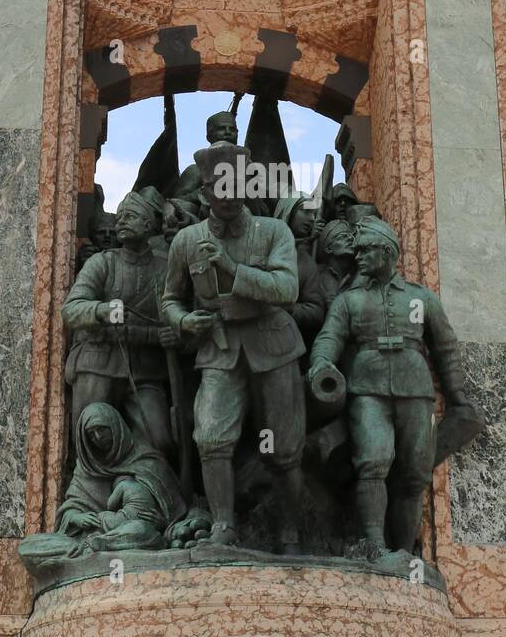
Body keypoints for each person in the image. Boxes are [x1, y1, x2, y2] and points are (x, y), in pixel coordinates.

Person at [162, 143, 306, 552]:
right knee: (210, 437)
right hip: (219, 348)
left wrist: (230, 265)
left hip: (274, 347)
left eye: (236, 185)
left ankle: (290, 531)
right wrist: (184, 321)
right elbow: (170, 298)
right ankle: (224, 526)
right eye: (218, 188)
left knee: (282, 449)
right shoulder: (186, 241)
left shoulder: (273, 231)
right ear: (204, 192)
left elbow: (286, 288)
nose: (227, 195)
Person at [309, 218, 470, 557]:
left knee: (414, 473)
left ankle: (403, 552)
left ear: (386, 252)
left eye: (366, 250)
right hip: (367, 388)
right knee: (373, 461)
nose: (359, 256)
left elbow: (445, 348)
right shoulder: (349, 301)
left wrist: (456, 396)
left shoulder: (421, 298)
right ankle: (375, 543)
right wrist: (322, 364)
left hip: (415, 389)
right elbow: (329, 338)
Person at [63, 190, 176, 458]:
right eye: (120, 217)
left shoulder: (165, 268)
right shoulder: (101, 263)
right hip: (97, 362)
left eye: (131, 217)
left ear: (149, 226)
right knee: (90, 440)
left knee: (159, 441)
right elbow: (71, 309)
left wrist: (176, 334)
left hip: (145, 369)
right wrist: (102, 310)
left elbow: (176, 313)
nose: (122, 221)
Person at [18, 404, 187, 570]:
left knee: (142, 530)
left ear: (115, 426)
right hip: (93, 532)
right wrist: (78, 518)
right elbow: (71, 510)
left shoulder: (149, 462)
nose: (98, 437)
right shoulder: (85, 470)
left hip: (136, 531)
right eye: (91, 434)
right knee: (28, 546)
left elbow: (175, 512)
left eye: (102, 429)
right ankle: (91, 546)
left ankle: (97, 546)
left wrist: (164, 520)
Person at [272, 194, 325, 344]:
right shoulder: (260, 247)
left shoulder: (306, 262)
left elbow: (315, 311)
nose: (312, 219)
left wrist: (287, 308)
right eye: (306, 211)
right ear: (288, 211)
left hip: (286, 343)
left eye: (314, 214)